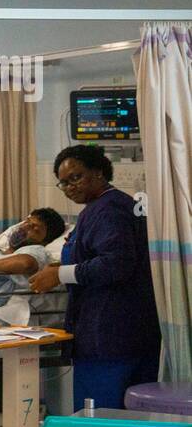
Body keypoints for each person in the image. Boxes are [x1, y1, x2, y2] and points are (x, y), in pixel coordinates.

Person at [29, 145, 161, 410]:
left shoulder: (108, 209)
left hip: (109, 338)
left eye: (76, 177)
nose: (70, 187)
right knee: (128, 423)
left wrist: (60, 274)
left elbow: (116, 264)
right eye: (63, 183)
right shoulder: (113, 206)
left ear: (99, 172)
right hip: (131, 335)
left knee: (99, 421)